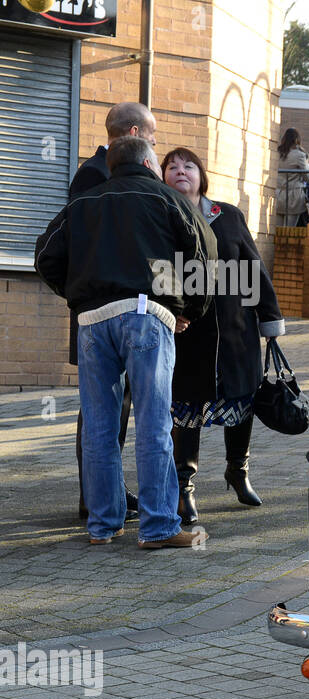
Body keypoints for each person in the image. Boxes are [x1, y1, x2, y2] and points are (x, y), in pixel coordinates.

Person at [35, 136, 216, 548]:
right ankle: (158, 528)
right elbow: (202, 257)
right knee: (153, 424)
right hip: (145, 315)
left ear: (111, 166)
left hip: (93, 321)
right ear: (151, 163)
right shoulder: (168, 200)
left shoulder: (83, 202)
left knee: (99, 427)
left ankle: (103, 525)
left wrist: (79, 293)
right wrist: (188, 309)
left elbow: (45, 256)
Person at [161, 147, 285, 524]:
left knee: (241, 402)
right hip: (187, 333)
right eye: (172, 166)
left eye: (189, 166)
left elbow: (253, 268)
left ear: (201, 176)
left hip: (236, 330)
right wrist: (171, 311)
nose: (181, 171)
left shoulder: (228, 216)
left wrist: (269, 319)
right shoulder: (161, 217)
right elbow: (159, 272)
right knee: (186, 409)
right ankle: (184, 487)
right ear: (162, 176)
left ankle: (238, 472)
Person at [69, 102, 156, 524]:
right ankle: (95, 497)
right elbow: (73, 243)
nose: (155, 146)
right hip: (100, 312)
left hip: (122, 310)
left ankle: (110, 492)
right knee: (100, 408)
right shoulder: (93, 174)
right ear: (135, 132)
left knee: (115, 406)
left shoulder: (106, 172)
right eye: (153, 138)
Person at [276, 128, 309, 228]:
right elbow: (308, 178)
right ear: (297, 140)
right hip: (293, 196)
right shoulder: (300, 155)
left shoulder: (277, 153)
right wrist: (307, 162)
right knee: (289, 231)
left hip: (278, 195)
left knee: (276, 231)